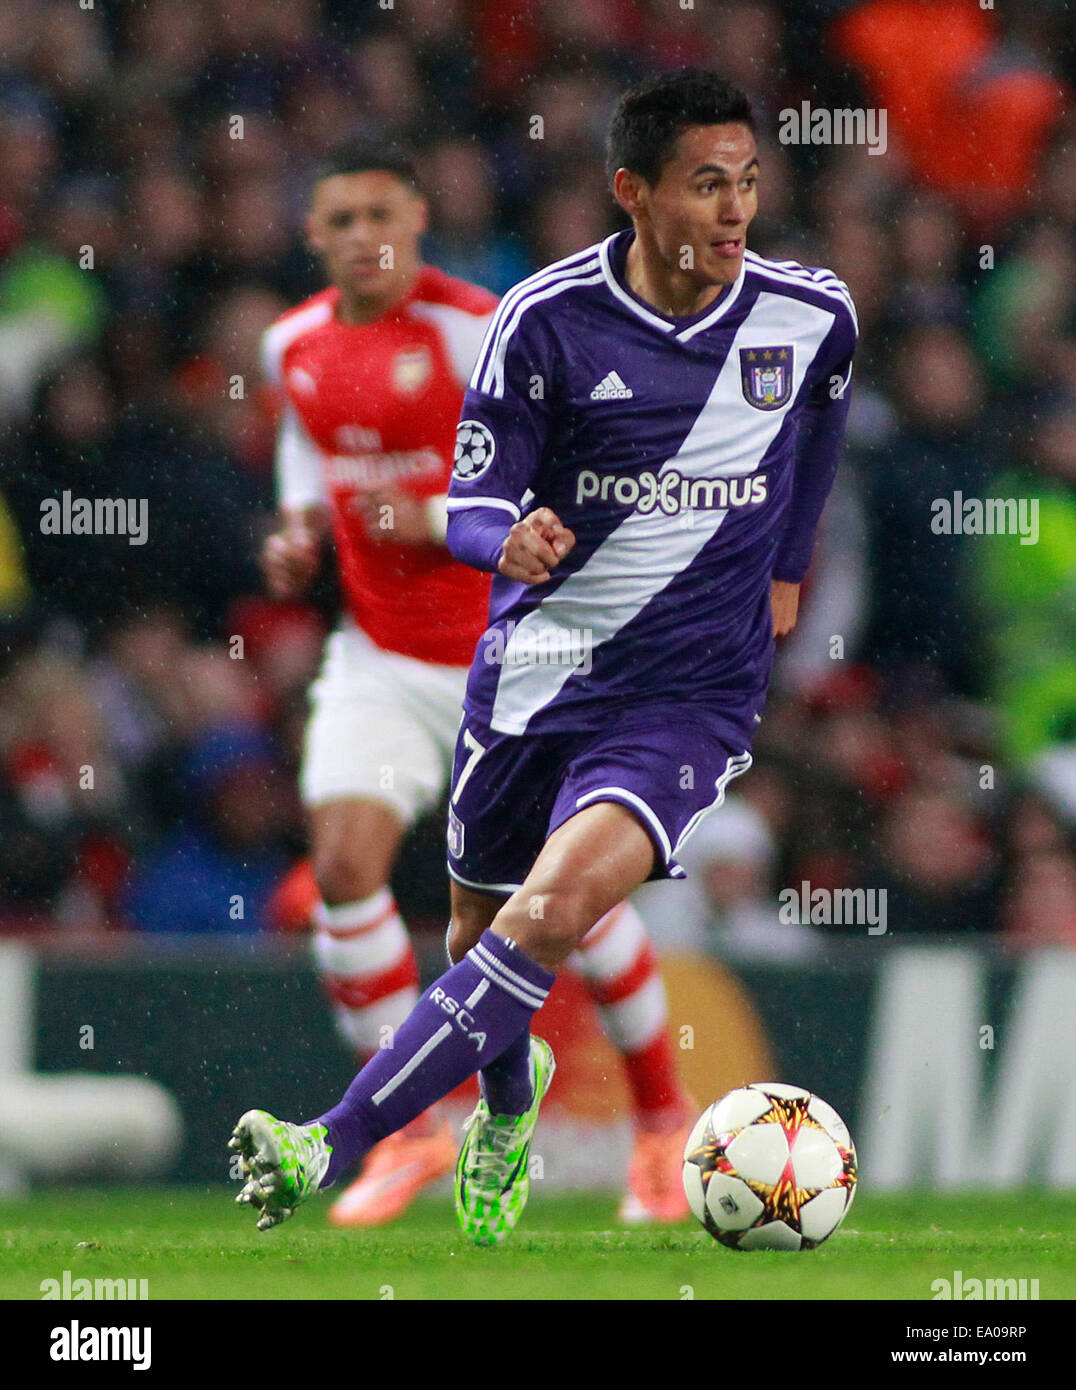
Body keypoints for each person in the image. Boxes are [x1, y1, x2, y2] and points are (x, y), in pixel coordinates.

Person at [232, 70, 856, 1244]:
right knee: (478, 938)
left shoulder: (809, 315)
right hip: (532, 674)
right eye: (705, 185)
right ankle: (504, 1118)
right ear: (633, 192)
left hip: (684, 697)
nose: (733, 211)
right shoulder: (545, 320)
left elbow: (816, 432)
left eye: (748, 183)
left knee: (555, 903)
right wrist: (500, 535)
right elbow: (472, 500)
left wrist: (782, 572)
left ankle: (333, 1137)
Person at [256, 139, 697, 1228]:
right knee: (346, 865)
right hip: (380, 657)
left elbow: (562, 475)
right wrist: (297, 530)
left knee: (567, 905)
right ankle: (407, 1136)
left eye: (379, 215)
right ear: (314, 236)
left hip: (514, 657)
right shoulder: (291, 344)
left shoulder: (480, 328)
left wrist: (449, 521)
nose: (362, 237)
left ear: (416, 217)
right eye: (340, 220)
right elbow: (313, 460)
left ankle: (660, 1120)